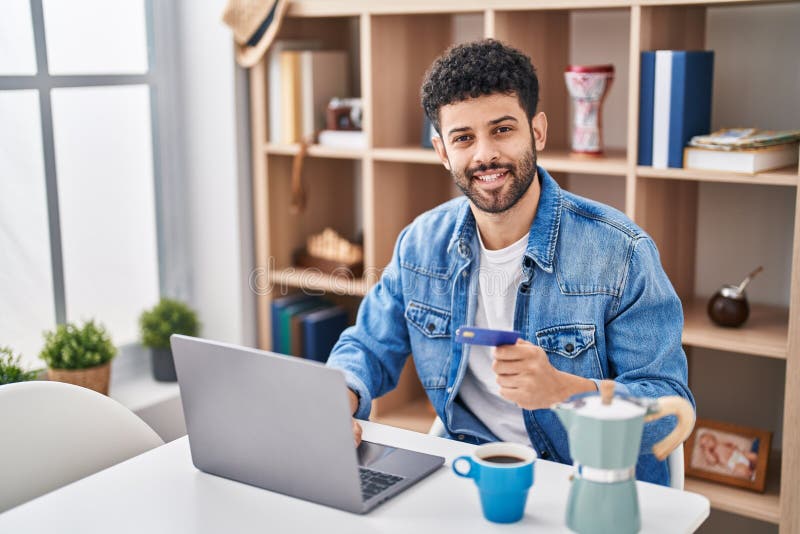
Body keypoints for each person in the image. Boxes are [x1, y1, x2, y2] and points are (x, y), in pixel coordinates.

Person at [326, 39, 694, 486]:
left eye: (502, 129)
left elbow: (669, 405)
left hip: (592, 486)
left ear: (537, 132)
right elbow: (367, 346)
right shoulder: (420, 245)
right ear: (443, 151)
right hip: (476, 478)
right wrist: (334, 404)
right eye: (464, 138)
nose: (485, 155)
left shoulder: (620, 253)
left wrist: (567, 391)